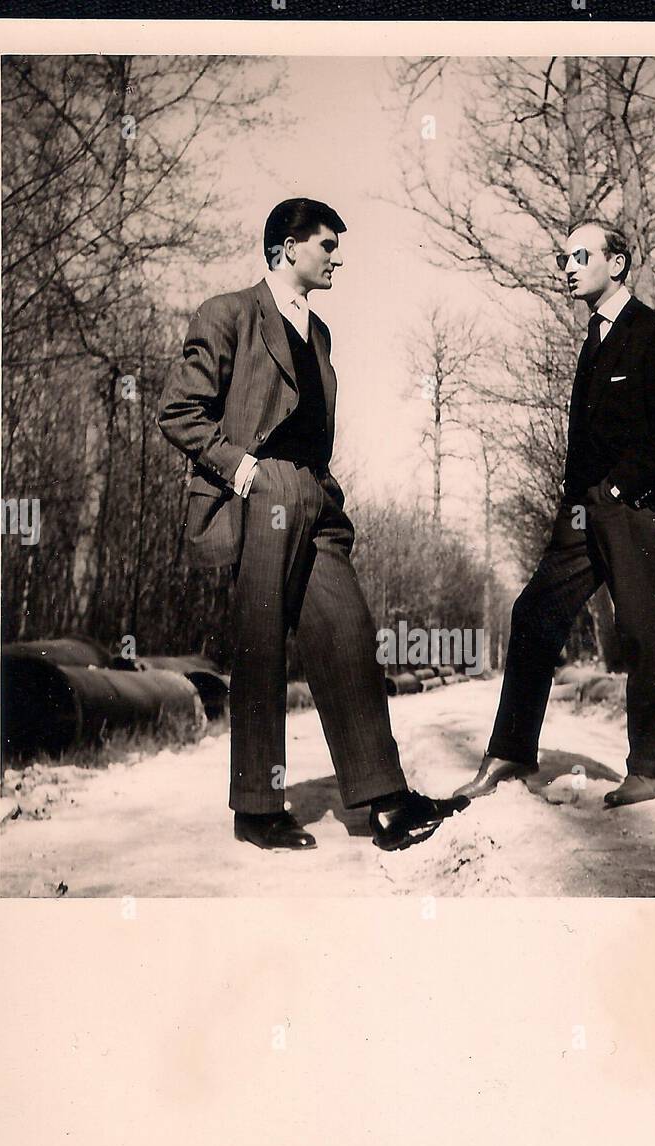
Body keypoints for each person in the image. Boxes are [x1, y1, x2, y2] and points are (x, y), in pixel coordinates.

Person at [158, 197, 467, 851]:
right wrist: (241, 469)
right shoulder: (228, 313)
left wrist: (326, 494)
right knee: (261, 646)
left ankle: (386, 802)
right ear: (288, 246)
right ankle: (257, 808)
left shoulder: (319, 332)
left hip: (314, 496)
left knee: (350, 636)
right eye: (327, 245)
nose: (337, 258)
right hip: (259, 487)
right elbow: (180, 411)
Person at [456, 220, 655, 809]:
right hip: (583, 510)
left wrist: (618, 489)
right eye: (564, 259)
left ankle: (653, 769)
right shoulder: (593, 337)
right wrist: (579, 498)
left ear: (617, 264)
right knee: (533, 612)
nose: (568, 268)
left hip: (631, 505)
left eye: (580, 256)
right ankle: (512, 751)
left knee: (640, 628)